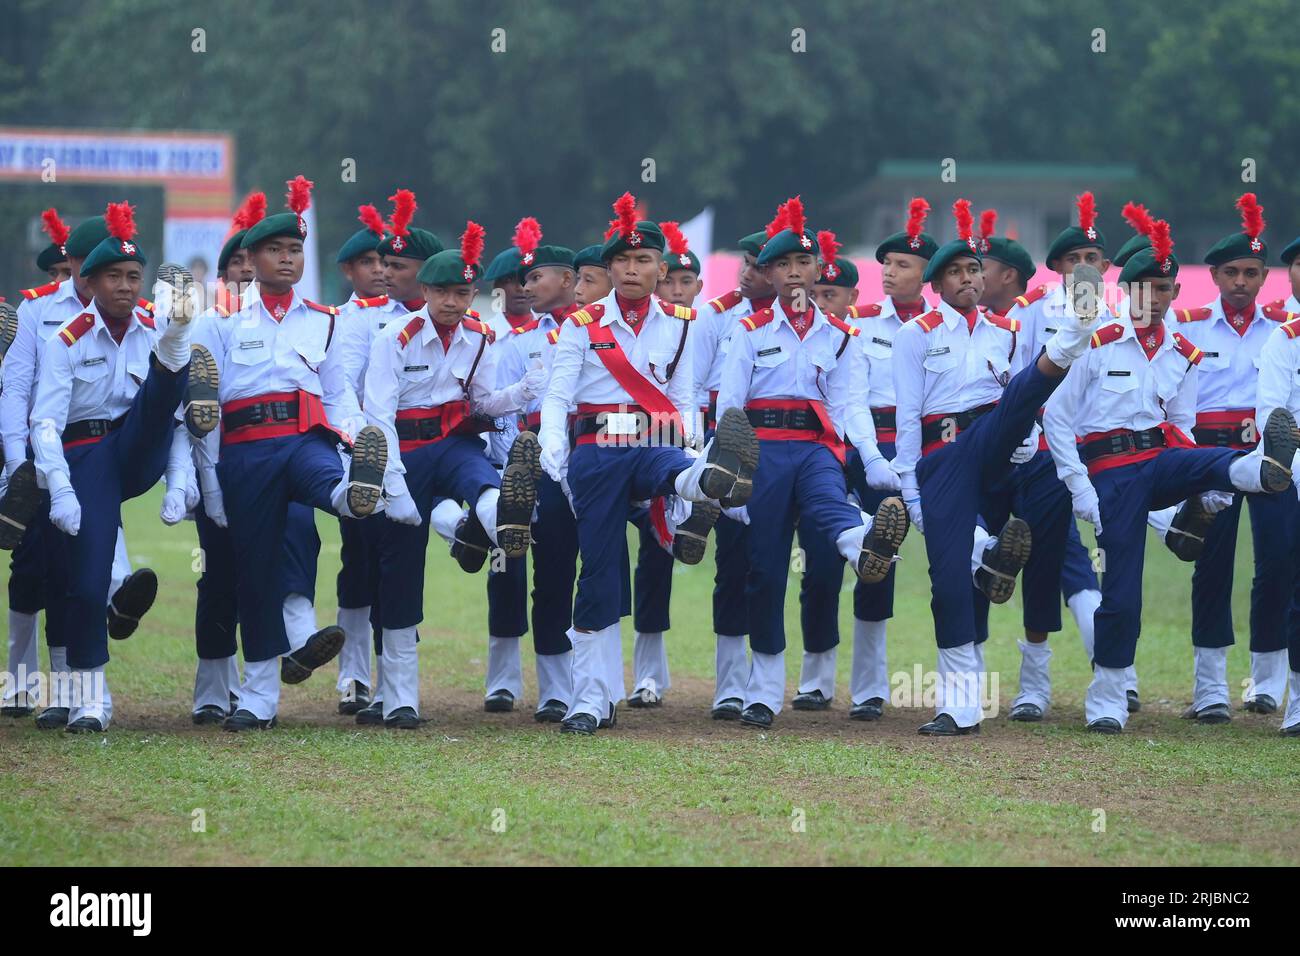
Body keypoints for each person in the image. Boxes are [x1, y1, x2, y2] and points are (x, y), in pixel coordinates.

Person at [1043, 218, 1299, 732]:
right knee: (1122, 592)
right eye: (1144, 288)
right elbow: (1056, 418)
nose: (1154, 298)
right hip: (1111, 473)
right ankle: (1109, 697)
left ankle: (1255, 469)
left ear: (1176, 291)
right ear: (1126, 290)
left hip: (1160, 460)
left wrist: (1200, 479)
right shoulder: (1099, 342)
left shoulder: (1184, 352)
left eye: (1163, 288)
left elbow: (1182, 426)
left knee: (1211, 457)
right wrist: (1080, 491)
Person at [539, 192, 758, 735]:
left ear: (662, 268)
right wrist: (553, 452)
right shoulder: (580, 323)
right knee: (599, 570)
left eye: (643, 261)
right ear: (609, 269)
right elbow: (558, 396)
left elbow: (683, 400)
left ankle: (702, 479)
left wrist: (690, 441)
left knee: (669, 462)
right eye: (622, 262)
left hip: (655, 438)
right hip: (594, 449)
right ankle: (593, 698)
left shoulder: (682, 322)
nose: (632, 269)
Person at [190, 175, 390, 731]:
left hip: (304, 438)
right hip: (245, 452)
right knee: (255, 576)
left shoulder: (326, 322)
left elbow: (337, 394)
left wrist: (354, 440)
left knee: (324, 474)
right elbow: (203, 410)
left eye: (295, 250)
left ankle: (353, 493)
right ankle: (258, 700)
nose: (286, 259)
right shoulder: (221, 320)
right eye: (275, 250)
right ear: (250, 257)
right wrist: (208, 485)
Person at [894, 198, 1099, 736]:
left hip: (1000, 438)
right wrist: (910, 487)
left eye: (972, 270)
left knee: (1027, 386)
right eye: (955, 273)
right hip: (943, 456)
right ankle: (960, 706)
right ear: (936, 285)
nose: (967, 279)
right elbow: (908, 416)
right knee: (947, 580)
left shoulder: (1004, 331)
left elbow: (1016, 395)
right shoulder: (913, 336)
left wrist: (1027, 437)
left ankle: (1079, 326)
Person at [718, 198, 909, 728]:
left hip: (818, 447)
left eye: (804, 265)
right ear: (770, 274)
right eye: (783, 265)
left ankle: (867, 543)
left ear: (819, 271)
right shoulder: (749, 330)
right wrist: (729, 476)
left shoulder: (843, 335)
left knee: (830, 504)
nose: (795, 273)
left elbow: (850, 404)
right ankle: (762, 692)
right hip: (760, 453)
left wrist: (870, 457)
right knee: (765, 569)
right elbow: (728, 407)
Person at [25, 201, 213, 731]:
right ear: (91, 281)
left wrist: (178, 487)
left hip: (139, 446)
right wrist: (59, 490)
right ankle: (89, 698)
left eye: (135, 276)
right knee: (84, 582)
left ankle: (178, 347)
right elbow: (45, 423)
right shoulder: (66, 340)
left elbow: (175, 421)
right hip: (85, 460)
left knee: (160, 390)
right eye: (115, 276)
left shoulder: (153, 326)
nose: (127, 286)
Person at [364, 222, 541, 728]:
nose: (452, 301)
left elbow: (483, 401)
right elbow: (378, 417)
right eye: (442, 291)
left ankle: (503, 519)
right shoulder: (394, 338)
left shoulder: (481, 335)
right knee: (400, 571)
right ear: (424, 292)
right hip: (404, 451)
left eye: (462, 292)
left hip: (455, 440)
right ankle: (399, 699)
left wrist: (526, 389)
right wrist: (393, 486)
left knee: (481, 477)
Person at [0, 213, 158, 727]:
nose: (115, 282)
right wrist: (18, 466)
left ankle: (74, 691)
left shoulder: (139, 320)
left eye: (128, 273)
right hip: (44, 454)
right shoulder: (40, 311)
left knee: (79, 563)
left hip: (103, 453)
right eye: (101, 270)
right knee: (36, 571)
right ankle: (22, 685)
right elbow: (19, 391)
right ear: (78, 266)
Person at [1177, 193, 1293, 721]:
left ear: (1265, 276)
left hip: (1272, 457)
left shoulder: (1283, 330)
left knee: (1275, 564)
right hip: (1212, 458)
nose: (1241, 282)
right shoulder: (1191, 325)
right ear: (1215, 276)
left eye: (1250, 272)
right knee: (1211, 565)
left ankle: (1266, 684)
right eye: (1230, 273)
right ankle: (1209, 690)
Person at [995, 197, 1108, 721]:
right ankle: (1036, 684)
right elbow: (1014, 381)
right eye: (1077, 256)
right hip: (1040, 450)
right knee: (1045, 556)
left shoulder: (1122, 312)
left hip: (1104, 451)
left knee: (1108, 556)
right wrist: (1021, 432)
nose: (1088, 265)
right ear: (1058, 267)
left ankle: (1114, 673)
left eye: (1096, 257)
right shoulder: (1029, 313)